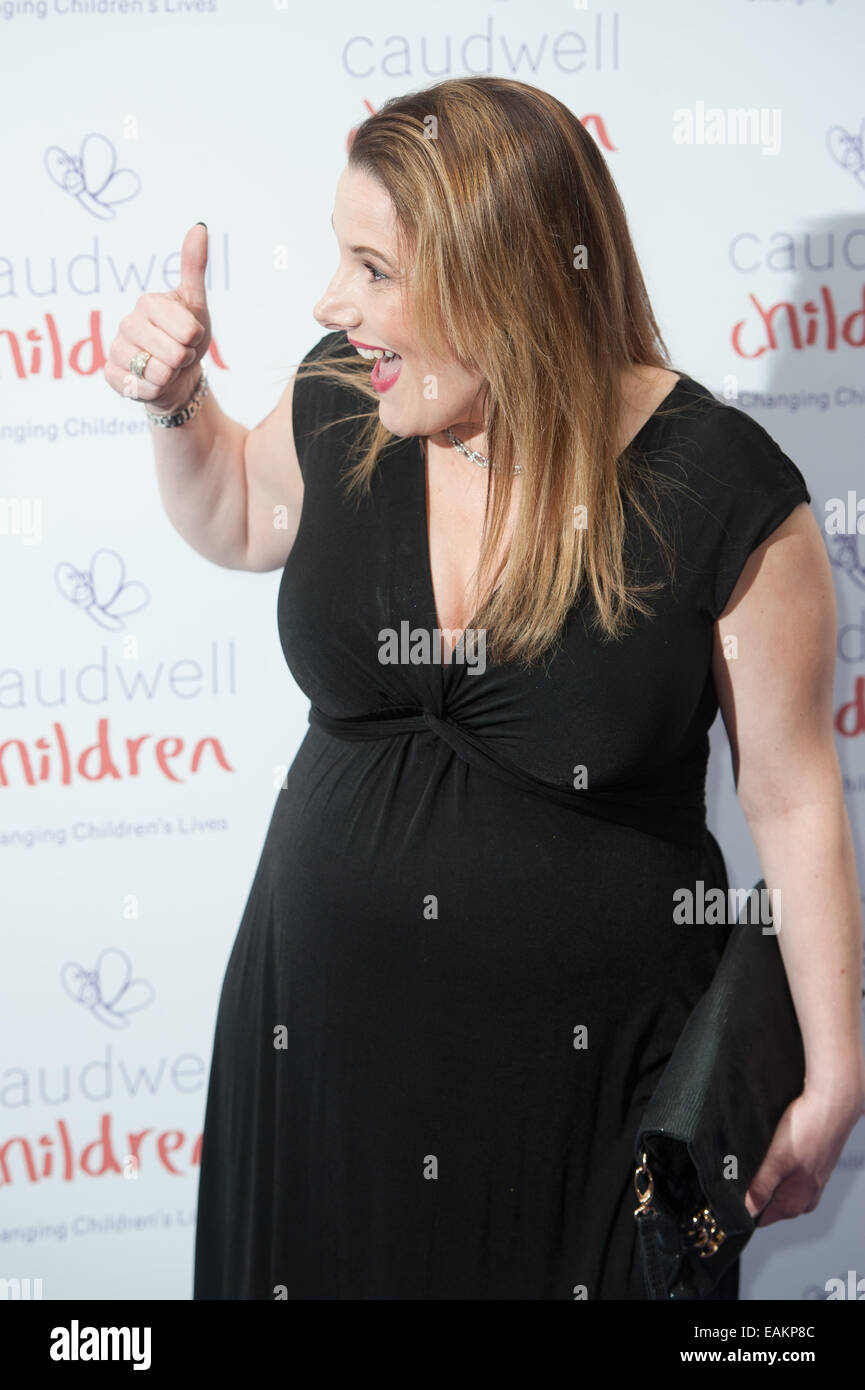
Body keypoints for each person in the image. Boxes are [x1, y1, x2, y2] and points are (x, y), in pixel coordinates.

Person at [104, 76, 864, 1301]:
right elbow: (241, 513)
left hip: (588, 1121)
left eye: (371, 268)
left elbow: (789, 795)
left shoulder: (721, 489)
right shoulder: (346, 395)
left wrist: (834, 1075)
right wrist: (176, 405)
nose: (329, 303)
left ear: (502, 273)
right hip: (317, 1070)